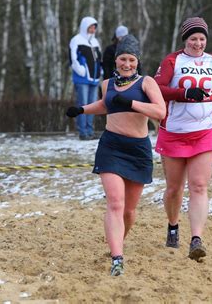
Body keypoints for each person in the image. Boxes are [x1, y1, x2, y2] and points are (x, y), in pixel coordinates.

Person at [66, 35, 166, 276]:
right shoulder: (107, 84)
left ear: (137, 61)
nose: (127, 64)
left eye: (132, 59)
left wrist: (132, 103)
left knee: (129, 211)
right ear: (116, 59)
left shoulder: (146, 83)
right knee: (115, 203)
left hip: (138, 150)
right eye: (123, 58)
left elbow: (160, 112)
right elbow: (105, 105)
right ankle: (117, 258)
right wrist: (82, 110)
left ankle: (117, 241)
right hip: (111, 146)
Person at [153, 17, 212, 261]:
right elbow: (156, 87)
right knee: (175, 189)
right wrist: (183, 93)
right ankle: (173, 225)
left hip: (205, 130)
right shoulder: (172, 61)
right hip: (175, 132)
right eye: (193, 39)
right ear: (185, 40)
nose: (198, 43)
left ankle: (196, 239)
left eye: (201, 39)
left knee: (198, 185)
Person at [69, 16, 103, 140]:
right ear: (85, 27)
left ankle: (90, 130)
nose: (93, 29)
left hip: (94, 79)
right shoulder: (76, 40)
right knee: (82, 105)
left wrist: (101, 70)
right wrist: (81, 70)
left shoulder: (95, 42)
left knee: (93, 105)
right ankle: (82, 132)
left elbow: (99, 58)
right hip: (82, 79)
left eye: (95, 27)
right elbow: (73, 59)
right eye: (91, 26)